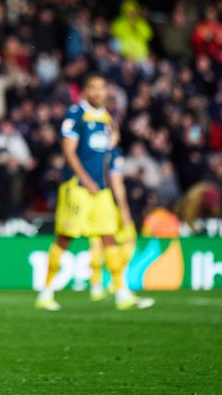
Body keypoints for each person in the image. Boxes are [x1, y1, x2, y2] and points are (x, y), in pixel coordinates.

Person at [35, 73, 152, 311]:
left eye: (102, 88)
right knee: (65, 239)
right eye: (93, 87)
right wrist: (86, 180)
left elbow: (109, 155)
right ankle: (45, 293)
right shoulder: (76, 115)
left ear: (107, 91)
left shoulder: (108, 119)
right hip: (77, 186)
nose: (98, 92)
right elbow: (69, 152)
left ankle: (122, 293)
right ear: (86, 90)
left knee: (109, 237)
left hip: (101, 190)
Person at [88, 145, 154, 308]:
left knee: (123, 242)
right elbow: (116, 182)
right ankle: (102, 286)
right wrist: (124, 209)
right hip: (103, 203)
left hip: (108, 204)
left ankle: (116, 286)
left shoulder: (108, 152)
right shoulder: (108, 153)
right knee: (100, 244)